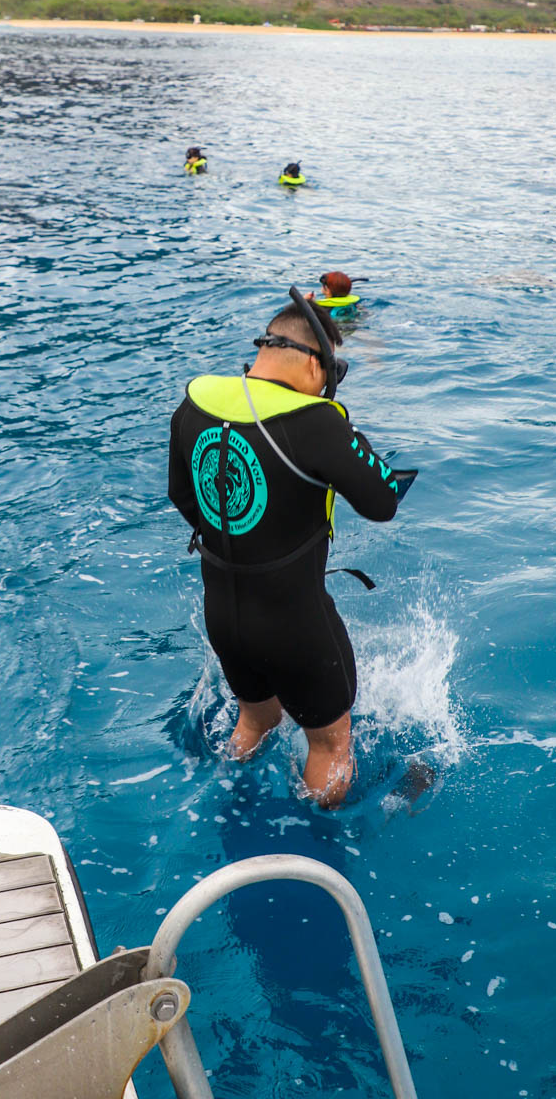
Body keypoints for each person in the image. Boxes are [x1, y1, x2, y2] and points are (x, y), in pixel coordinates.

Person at [168, 294, 414, 806]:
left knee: (255, 719)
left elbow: (182, 497)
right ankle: (317, 843)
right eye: (333, 373)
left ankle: (228, 800)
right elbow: (382, 500)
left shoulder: (195, 404)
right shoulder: (317, 422)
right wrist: (350, 435)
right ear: (311, 361)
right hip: (295, 623)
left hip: (224, 612)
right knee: (330, 743)